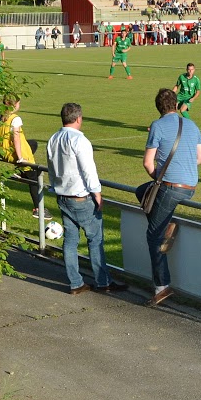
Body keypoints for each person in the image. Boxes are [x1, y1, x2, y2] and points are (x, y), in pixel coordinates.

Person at [45, 103, 126, 295]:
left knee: (71, 240)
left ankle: (76, 282)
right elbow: (88, 169)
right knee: (95, 239)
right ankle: (103, 281)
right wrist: (97, 192)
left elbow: (51, 167)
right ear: (79, 118)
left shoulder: (53, 139)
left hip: (63, 195)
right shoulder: (79, 141)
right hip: (80, 197)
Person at [142, 88, 201, 307]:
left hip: (170, 188)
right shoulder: (191, 124)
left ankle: (162, 286)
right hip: (190, 186)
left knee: (153, 237)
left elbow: (148, 163)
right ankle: (166, 225)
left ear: (158, 107)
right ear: (177, 105)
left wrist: (158, 178)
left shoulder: (157, 126)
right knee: (142, 191)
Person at [0, 95, 44, 221]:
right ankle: (38, 208)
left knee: (33, 144)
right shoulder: (15, 119)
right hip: (16, 155)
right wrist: (20, 158)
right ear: (15, 104)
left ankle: (20, 172)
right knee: (34, 178)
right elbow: (15, 138)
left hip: (5, 152)